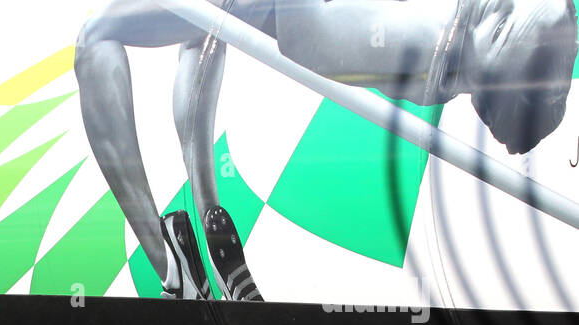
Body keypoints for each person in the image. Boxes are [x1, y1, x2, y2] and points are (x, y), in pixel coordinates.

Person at [75, 0, 579, 301]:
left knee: (96, 35)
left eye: (500, 24)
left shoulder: (432, 44)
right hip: (297, 17)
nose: (497, 4)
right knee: (203, 28)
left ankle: (168, 264)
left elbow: (317, 41)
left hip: (292, 13)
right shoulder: (451, 45)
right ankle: (209, 215)